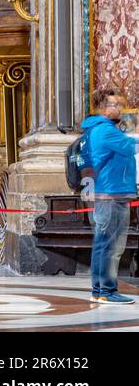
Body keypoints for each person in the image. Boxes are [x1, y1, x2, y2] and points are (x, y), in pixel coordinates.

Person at [81, 88, 137, 305]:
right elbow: (131, 146)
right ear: (103, 108)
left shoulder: (100, 128)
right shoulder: (104, 130)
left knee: (104, 244)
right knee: (110, 246)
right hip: (111, 194)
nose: (120, 109)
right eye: (115, 105)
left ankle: (101, 289)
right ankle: (106, 290)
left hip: (112, 193)